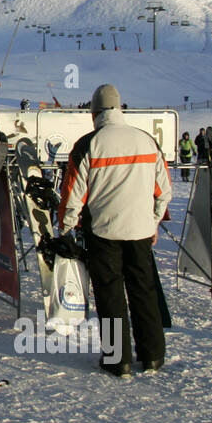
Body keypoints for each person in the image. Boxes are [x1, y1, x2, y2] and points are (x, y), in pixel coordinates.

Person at [59, 84, 171, 377]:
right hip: (141, 229)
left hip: (104, 231)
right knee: (144, 291)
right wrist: (154, 220)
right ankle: (153, 355)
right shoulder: (147, 140)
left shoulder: (88, 144)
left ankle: (117, 359)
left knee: (110, 296)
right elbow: (164, 190)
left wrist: (67, 227)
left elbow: (73, 193)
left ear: (94, 112)